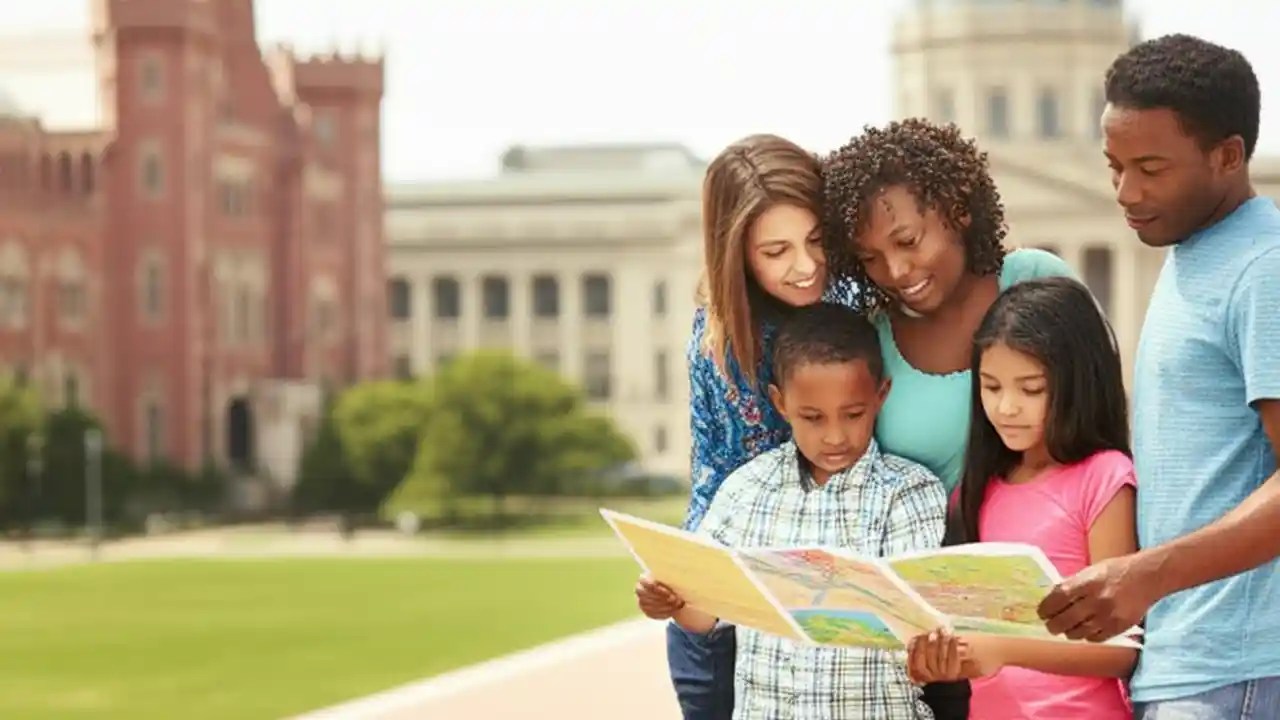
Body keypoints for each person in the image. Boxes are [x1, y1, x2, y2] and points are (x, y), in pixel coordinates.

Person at [1036, 34, 1280, 717]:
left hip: (1237, 670)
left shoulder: (1263, 269)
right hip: (1188, 664)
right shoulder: (1193, 248)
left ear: (1228, 156)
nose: (1124, 192)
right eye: (1114, 166)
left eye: (1150, 168)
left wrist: (1146, 575)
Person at [821, 118, 1080, 717]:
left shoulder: (1037, 282)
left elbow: (1100, 433)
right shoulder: (872, 340)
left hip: (1049, 598)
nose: (896, 270)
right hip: (927, 623)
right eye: (872, 257)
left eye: (908, 240)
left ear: (958, 208)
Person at [638, 302, 945, 719]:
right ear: (780, 404)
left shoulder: (909, 492)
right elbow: (706, 615)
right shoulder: (747, 489)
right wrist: (672, 601)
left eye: (852, 414)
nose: (835, 436)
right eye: (812, 418)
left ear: (880, 396)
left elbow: (917, 621)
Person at [675, 134, 864, 719]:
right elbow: (771, 491)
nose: (804, 266)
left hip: (818, 588)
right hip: (728, 601)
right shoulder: (726, 342)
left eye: (814, 240)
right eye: (776, 250)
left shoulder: (849, 296)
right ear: (737, 253)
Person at [906, 277, 1139, 719]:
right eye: (991, 387)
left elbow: (1120, 648)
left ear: (1077, 384)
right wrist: (940, 657)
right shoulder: (975, 491)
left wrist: (1004, 650)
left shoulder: (1104, 477)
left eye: (1030, 389)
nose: (1006, 407)